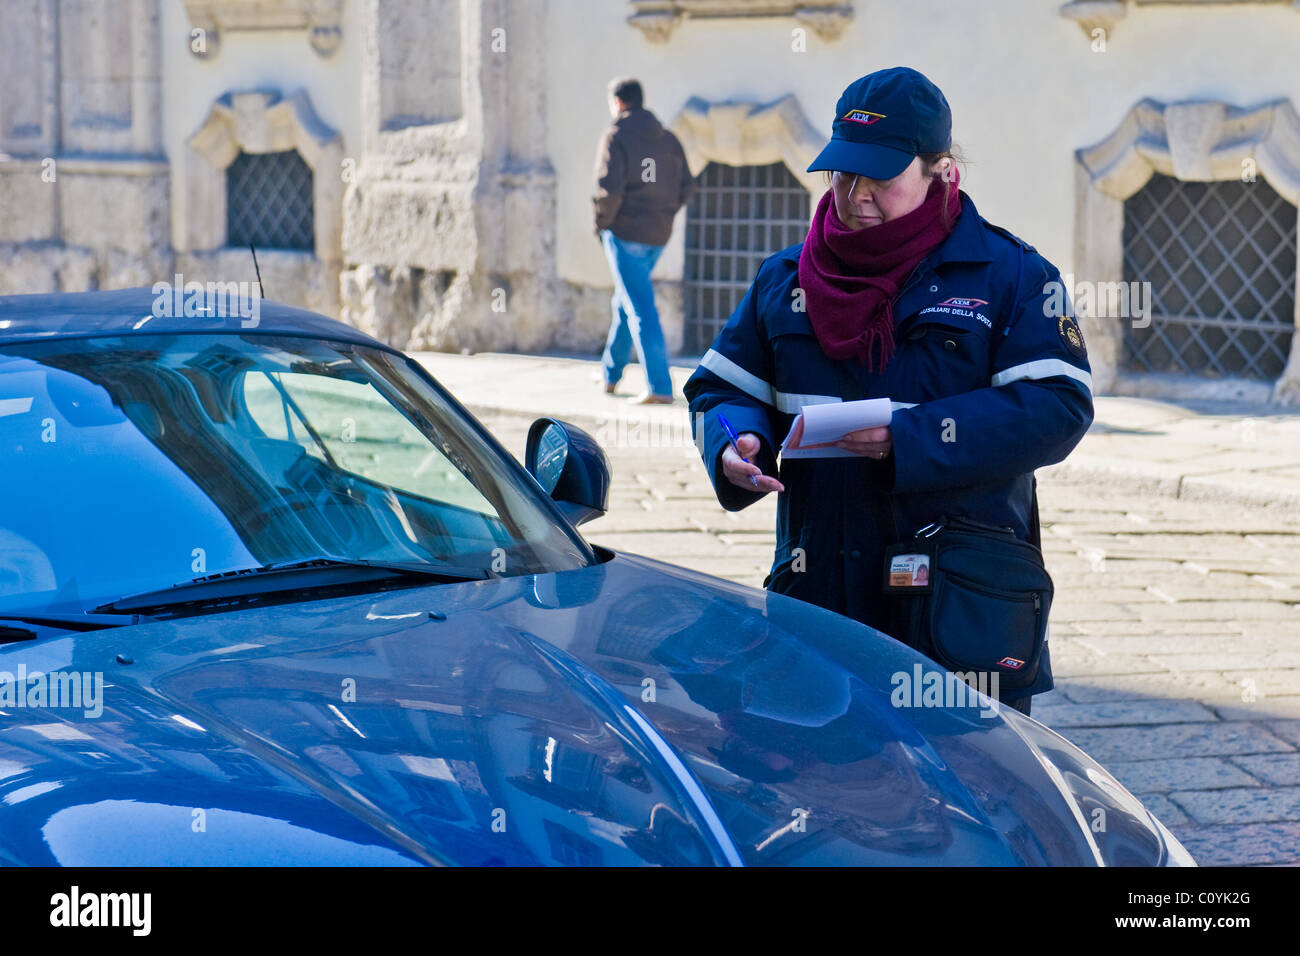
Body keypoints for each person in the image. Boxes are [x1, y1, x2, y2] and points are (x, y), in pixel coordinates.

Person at [684, 67, 1094, 716]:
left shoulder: (1012, 274)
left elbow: (1058, 406)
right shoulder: (782, 279)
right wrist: (738, 444)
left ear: (942, 171)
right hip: (818, 593)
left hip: (958, 603)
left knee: (970, 799)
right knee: (818, 786)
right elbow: (719, 389)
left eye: (881, 177)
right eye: (844, 174)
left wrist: (911, 439)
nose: (856, 195)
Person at [592, 77, 698, 405]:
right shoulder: (667, 138)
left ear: (619, 103)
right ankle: (610, 375)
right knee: (625, 301)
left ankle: (660, 386)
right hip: (657, 235)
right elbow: (687, 186)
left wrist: (600, 225)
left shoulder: (616, 135)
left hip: (624, 234)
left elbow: (608, 190)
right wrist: (664, 215)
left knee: (639, 308)